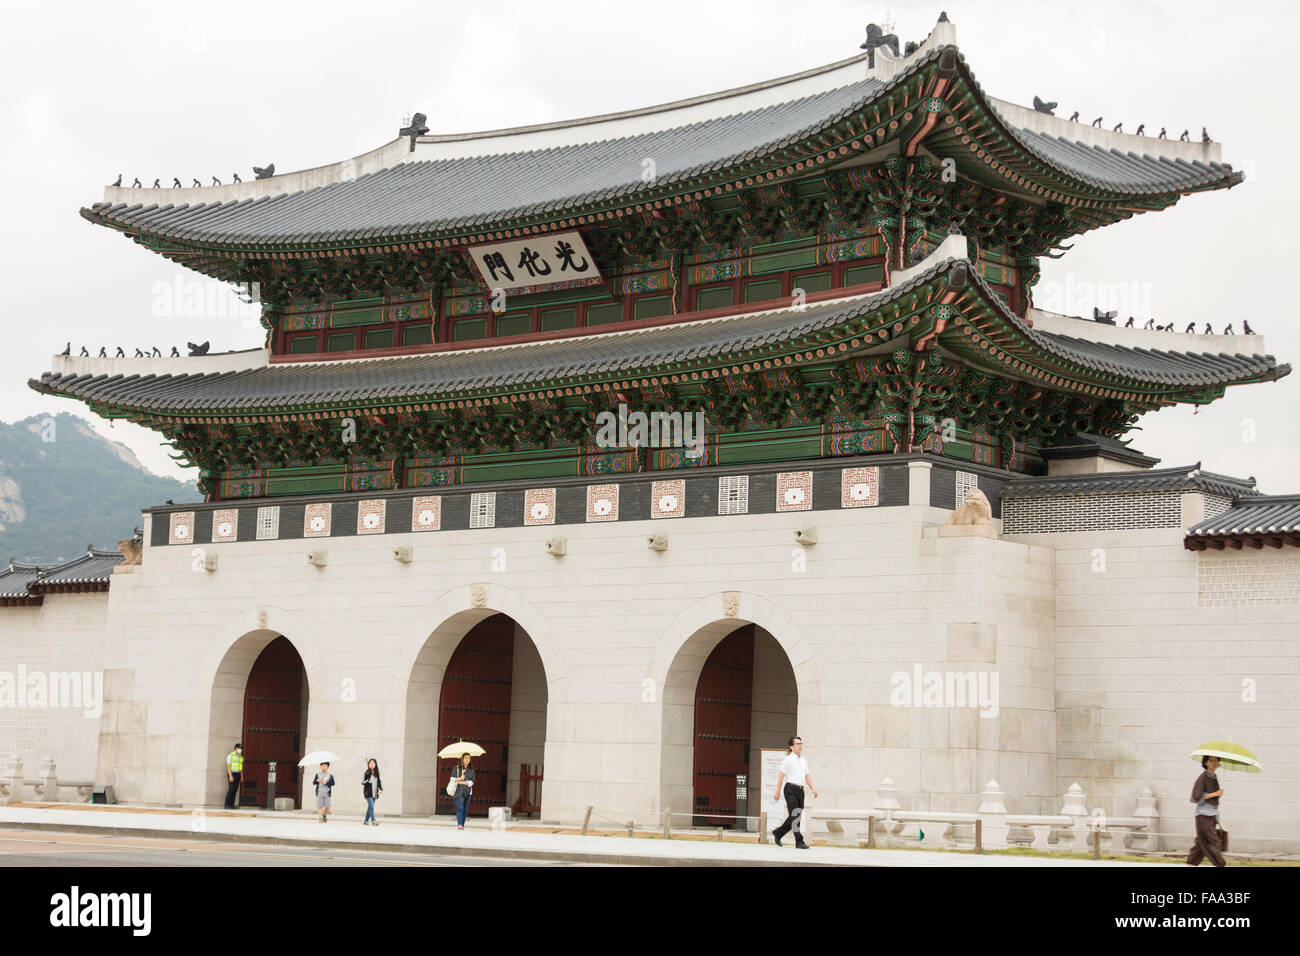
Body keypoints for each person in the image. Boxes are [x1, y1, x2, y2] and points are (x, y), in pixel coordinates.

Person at [771, 736, 818, 849]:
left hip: (801, 790)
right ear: (791, 747)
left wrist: (813, 788)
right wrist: (777, 791)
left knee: (795, 816)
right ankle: (799, 841)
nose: (800, 746)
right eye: (797, 744)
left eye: (801, 743)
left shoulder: (804, 760)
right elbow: (781, 776)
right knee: (795, 816)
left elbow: (807, 776)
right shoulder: (788, 759)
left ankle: (778, 833)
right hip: (790, 789)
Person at [1186, 755, 1226, 867]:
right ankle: (1220, 864)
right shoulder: (1202, 778)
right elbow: (1197, 796)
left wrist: (1217, 818)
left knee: (1201, 842)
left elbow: (1215, 802)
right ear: (1205, 763)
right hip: (1203, 815)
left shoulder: (1214, 778)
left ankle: (1191, 863)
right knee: (1213, 841)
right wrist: (1215, 794)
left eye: (1216, 760)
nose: (1214, 763)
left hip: (1212, 815)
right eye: (1211, 760)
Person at [452, 753, 475, 830]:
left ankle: (462, 825)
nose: (467, 760)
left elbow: (472, 782)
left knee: (465, 809)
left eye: (469, 758)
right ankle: (459, 825)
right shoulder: (457, 768)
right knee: (460, 808)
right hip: (458, 792)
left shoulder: (471, 770)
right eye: (465, 758)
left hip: (468, 792)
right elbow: (452, 779)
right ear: (462, 759)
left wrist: (463, 782)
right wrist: (460, 779)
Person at [363, 758, 383, 826]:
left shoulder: (376, 773)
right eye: (370, 763)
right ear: (368, 764)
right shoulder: (366, 773)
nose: (371, 764)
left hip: (374, 793)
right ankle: (373, 820)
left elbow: (379, 782)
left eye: (373, 763)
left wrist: (380, 789)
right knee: (371, 806)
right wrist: (369, 780)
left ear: (375, 764)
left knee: (370, 807)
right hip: (368, 792)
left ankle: (365, 821)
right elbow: (363, 782)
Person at [224, 743, 243, 810]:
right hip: (232, 774)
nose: (240, 750)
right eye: (239, 748)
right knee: (231, 790)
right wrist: (230, 776)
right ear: (235, 748)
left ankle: (231, 805)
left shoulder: (240, 756)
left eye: (241, 748)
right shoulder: (230, 756)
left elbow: (240, 767)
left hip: (238, 774)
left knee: (235, 790)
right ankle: (227, 805)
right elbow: (228, 766)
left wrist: (241, 776)